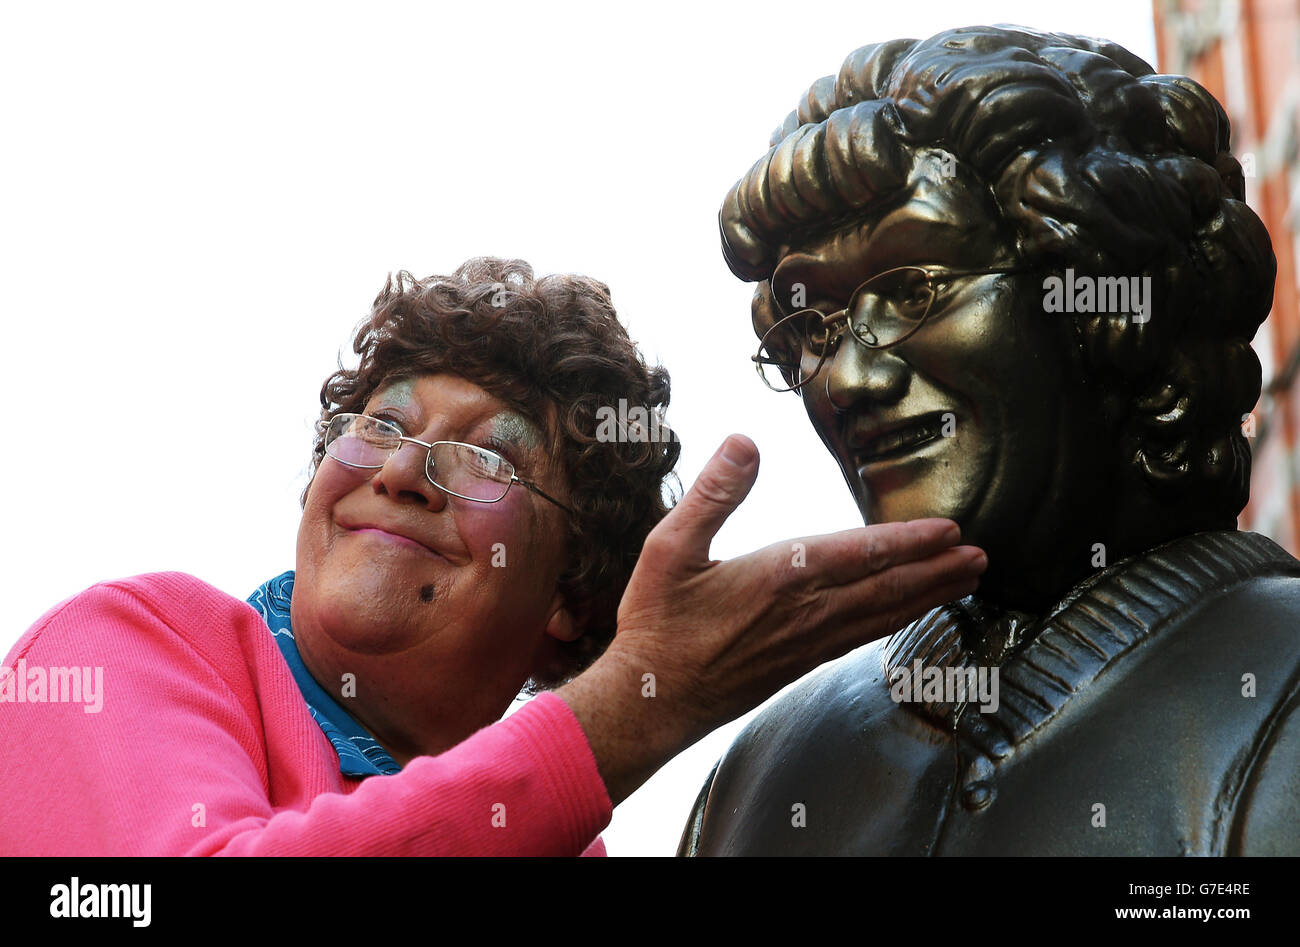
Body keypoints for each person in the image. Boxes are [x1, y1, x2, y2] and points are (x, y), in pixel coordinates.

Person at [0, 257, 986, 855]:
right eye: (381, 424)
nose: (401, 472)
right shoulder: (132, 641)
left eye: (484, 456)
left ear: (567, 597)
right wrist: (640, 701)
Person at [682, 25, 1300, 855]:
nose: (847, 381)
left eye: (911, 291)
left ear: (1108, 315)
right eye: (811, 329)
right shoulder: (763, 772)